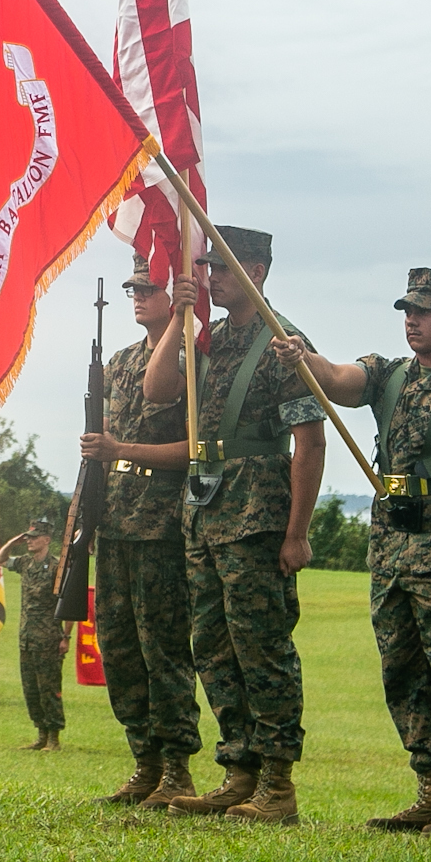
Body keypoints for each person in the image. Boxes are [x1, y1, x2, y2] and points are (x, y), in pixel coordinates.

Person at [272, 268, 431, 837]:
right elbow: (338, 380)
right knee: (401, 672)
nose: (413, 320)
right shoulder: (388, 375)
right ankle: (429, 790)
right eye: (407, 309)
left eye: (425, 311)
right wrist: (306, 357)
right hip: (391, 549)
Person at [144, 226, 327, 826]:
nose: (210, 277)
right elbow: (158, 390)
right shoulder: (209, 338)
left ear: (257, 269)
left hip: (258, 513)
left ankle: (277, 782)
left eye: (219, 268)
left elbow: (309, 441)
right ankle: (239, 771)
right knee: (214, 648)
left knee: (262, 648)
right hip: (205, 512)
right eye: (204, 267)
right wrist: (179, 314)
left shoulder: (283, 343)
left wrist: (298, 532)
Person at [79, 254, 202, 808]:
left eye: (148, 287)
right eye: (133, 287)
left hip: (161, 527)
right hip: (115, 524)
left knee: (164, 650)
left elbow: (196, 451)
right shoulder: (122, 362)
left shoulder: (191, 362)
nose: (136, 295)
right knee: (121, 647)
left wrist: (119, 450)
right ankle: (144, 762)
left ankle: (177, 768)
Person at [0, 516, 68, 751]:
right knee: (31, 688)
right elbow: (0, 559)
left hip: (48, 637)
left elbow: (67, 604)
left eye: (34, 537)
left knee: (49, 687)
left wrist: (65, 637)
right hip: (27, 637)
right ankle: (41, 735)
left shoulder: (58, 567)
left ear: (46, 540)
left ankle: (54, 738)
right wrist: (12, 542)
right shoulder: (25, 563)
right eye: (28, 537)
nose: (29, 541)